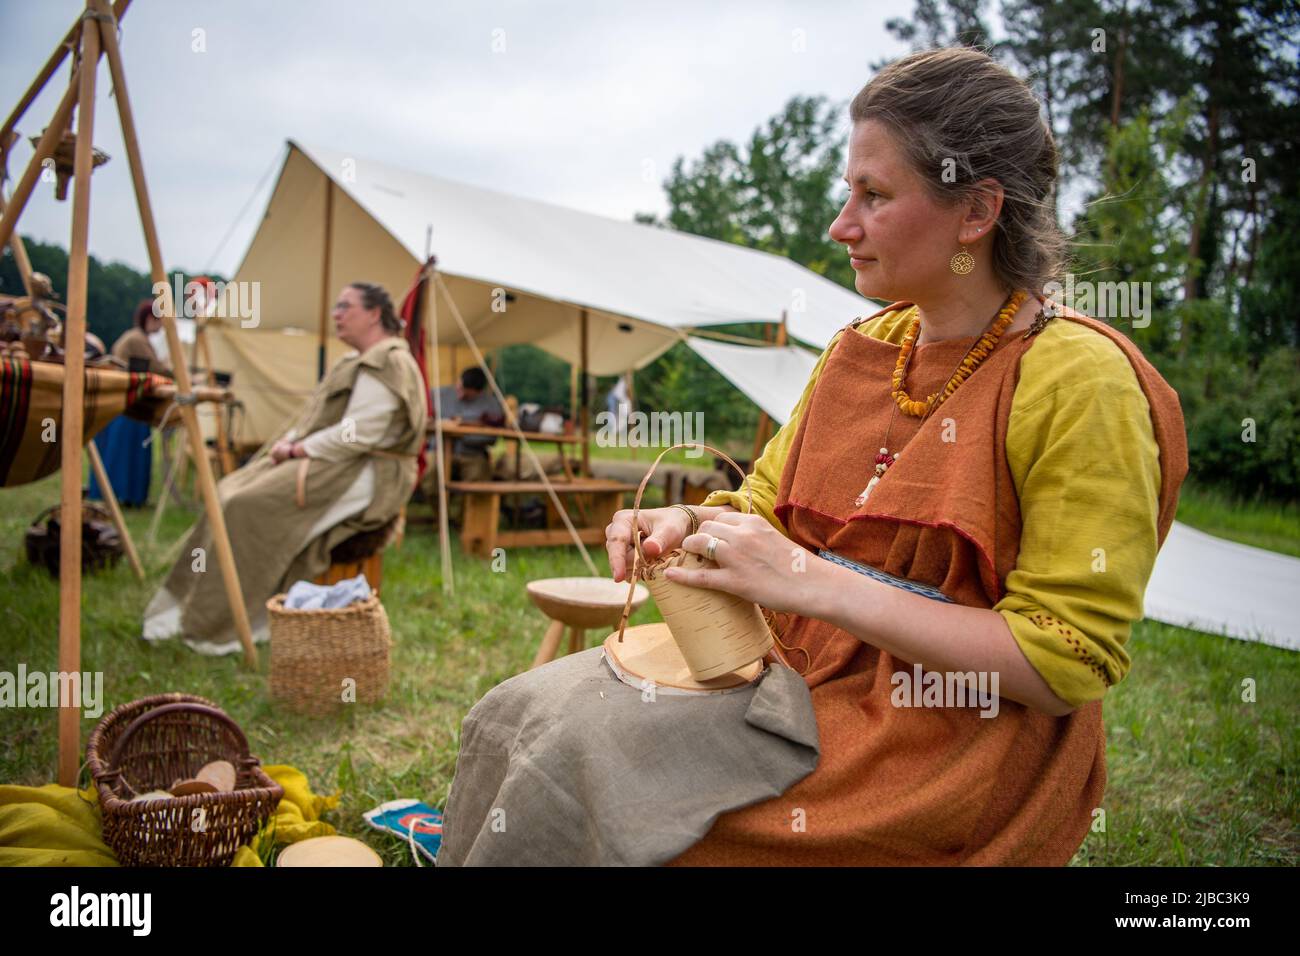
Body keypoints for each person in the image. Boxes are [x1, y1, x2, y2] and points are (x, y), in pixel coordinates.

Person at [599, 47, 1189, 865]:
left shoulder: (1080, 381)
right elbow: (760, 507)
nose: (841, 226)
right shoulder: (860, 350)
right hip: (797, 682)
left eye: (873, 196)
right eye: (850, 192)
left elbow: (1064, 660)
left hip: (950, 749)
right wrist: (686, 519)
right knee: (531, 722)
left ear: (976, 211)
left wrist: (811, 582)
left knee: (650, 803)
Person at [143, 281, 428, 655]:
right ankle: (183, 606)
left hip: (365, 475)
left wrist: (298, 449)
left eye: (346, 307)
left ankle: (226, 622)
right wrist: (292, 444)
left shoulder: (389, 361)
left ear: (374, 313)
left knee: (245, 506)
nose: (336, 314)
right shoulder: (357, 361)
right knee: (227, 492)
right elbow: (319, 421)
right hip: (335, 462)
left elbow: (357, 433)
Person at [87, 298, 173, 507]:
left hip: (122, 403)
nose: (160, 325)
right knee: (124, 454)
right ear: (151, 319)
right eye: (159, 320)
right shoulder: (137, 340)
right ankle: (124, 494)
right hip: (128, 406)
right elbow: (158, 369)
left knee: (119, 453)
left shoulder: (135, 337)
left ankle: (116, 494)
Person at [425, 366, 504, 489]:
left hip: (471, 453)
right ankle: (438, 506)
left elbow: (492, 438)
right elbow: (422, 417)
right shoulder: (437, 395)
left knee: (479, 482)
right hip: (438, 450)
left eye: (467, 391)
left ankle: (471, 507)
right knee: (430, 471)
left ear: (478, 391)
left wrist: (464, 433)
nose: (461, 394)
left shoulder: (491, 404)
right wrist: (437, 423)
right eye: (460, 388)